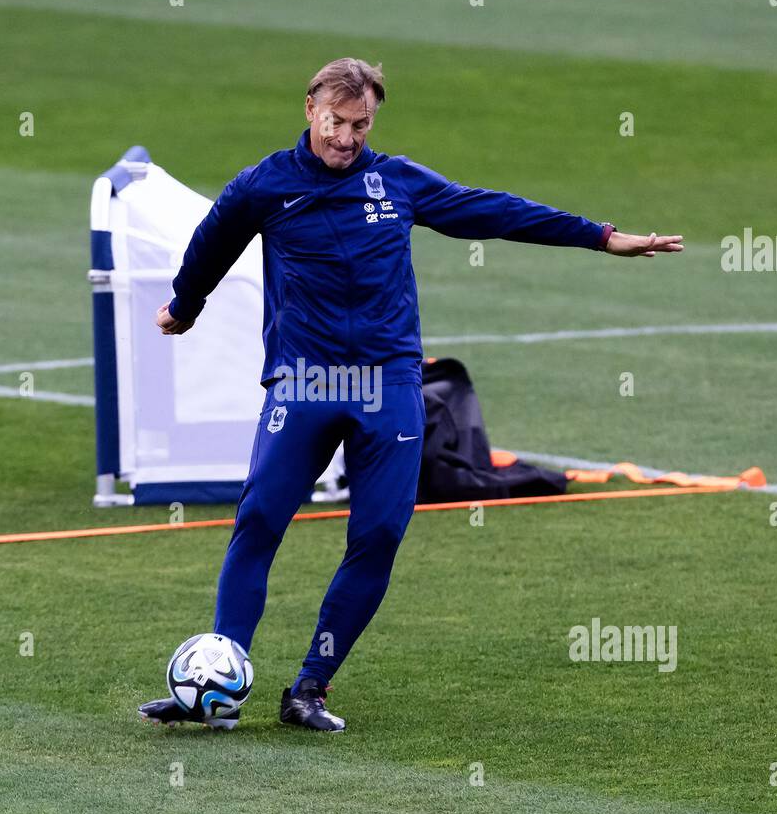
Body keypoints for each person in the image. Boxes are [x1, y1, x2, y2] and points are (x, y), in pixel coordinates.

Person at [139, 58, 682, 732]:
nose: (346, 138)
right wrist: (185, 305)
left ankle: (310, 688)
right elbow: (211, 242)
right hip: (303, 383)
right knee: (259, 522)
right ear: (309, 108)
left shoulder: (395, 182)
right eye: (336, 122)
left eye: (360, 125)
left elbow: (492, 211)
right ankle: (222, 678)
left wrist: (599, 236)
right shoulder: (264, 185)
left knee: (378, 534)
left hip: (388, 385)